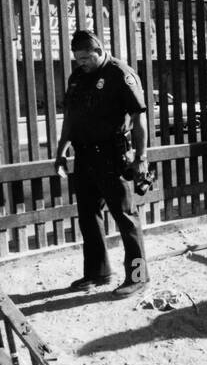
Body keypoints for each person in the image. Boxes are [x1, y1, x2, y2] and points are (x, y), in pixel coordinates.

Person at [54, 31, 151, 299]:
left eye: (86, 57)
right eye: (77, 58)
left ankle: (138, 277)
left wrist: (141, 158)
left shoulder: (120, 74)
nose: (81, 62)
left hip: (112, 155)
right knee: (88, 216)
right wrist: (61, 150)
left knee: (125, 216)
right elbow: (70, 118)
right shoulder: (77, 77)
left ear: (99, 51)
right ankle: (98, 272)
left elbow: (139, 118)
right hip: (84, 156)